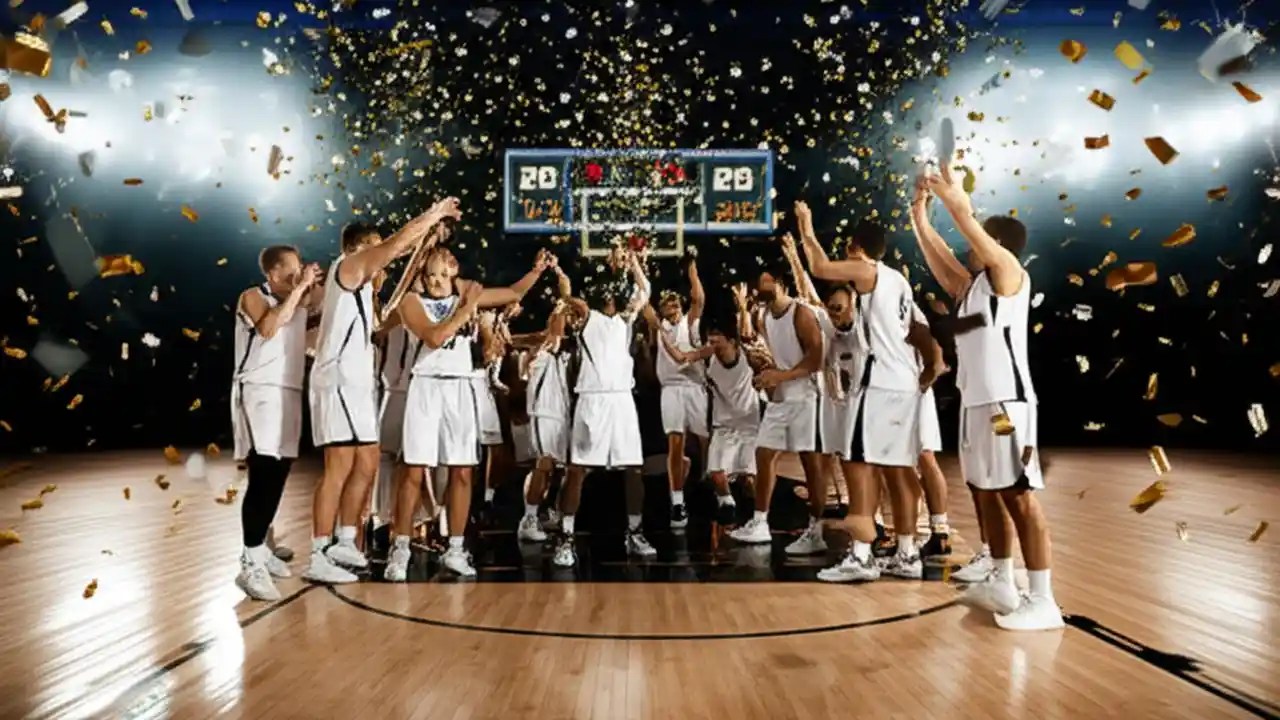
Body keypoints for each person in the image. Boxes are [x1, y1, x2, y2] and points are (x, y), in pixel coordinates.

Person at [917, 167, 1061, 630]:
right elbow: (939, 259)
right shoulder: (971, 287)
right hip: (976, 402)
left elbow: (965, 224)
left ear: (993, 242)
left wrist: (951, 195)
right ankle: (1001, 576)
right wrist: (919, 212)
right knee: (984, 489)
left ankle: (1043, 600)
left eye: (979, 239)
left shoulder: (1008, 273)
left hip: (1006, 405)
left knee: (1017, 494)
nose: (967, 246)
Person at [304, 197, 461, 584]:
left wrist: (425, 246)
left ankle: (344, 541)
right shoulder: (349, 268)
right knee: (338, 468)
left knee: (369, 464)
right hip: (337, 381)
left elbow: (399, 287)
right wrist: (433, 215)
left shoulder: (365, 293)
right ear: (356, 249)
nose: (381, 254)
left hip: (358, 388)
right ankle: (318, 552)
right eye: (373, 245)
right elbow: (393, 247)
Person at [384, 247, 553, 580]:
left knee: (462, 473)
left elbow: (515, 292)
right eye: (429, 274)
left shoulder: (468, 292)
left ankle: (456, 548)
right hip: (426, 386)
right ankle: (400, 548)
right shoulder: (410, 302)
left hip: (461, 387)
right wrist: (468, 307)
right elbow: (434, 337)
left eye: (441, 273)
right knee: (413, 472)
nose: (435, 280)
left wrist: (537, 270)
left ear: (453, 270)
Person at [797, 201, 944, 582]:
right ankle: (907, 554)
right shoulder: (900, 282)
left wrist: (806, 226)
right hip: (903, 384)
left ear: (855, 247)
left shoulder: (869, 270)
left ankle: (861, 557)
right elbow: (922, 335)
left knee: (859, 466)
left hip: (878, 385)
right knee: (900, 471)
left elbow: (819, 267)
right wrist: (927, 373)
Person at [232, 245, 320, 600]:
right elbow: (268, 328)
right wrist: (301, 289)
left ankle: (261, 549)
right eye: (291, 271)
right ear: (272, 273)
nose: (297, 277)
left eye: (300, 271)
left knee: (280, 472)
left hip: (288, 390)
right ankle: (250, 560)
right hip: (258, 391)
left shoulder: (297, 306)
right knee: (264, 472)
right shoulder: (253, 296)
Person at [553, 248, 650, 568]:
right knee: (577, 470)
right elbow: (568, 298)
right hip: (592, 400)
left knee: (634, 470)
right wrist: (559, 274)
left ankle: (634, 533)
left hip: (622, 400)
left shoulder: (625, 319)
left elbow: (644, 291)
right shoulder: (586, 317)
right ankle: (565, 538)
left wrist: (634, 262)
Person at [727, 263, 828, 556]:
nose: (759, 286)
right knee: (764, 452)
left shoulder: (801, 313)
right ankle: (759, 522)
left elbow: (817, 358)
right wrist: (765, 374)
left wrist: (780, 376)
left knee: (812, 464)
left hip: (807, 396)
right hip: (780, 397)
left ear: (781, 282)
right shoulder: (763, 316)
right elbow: (770, 355)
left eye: (765, 280)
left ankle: (816, 529)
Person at [661, 305, 763, 526]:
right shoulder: (709, 356)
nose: (714, 346)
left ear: (732, 342)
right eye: (711, 340)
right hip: (723, 424)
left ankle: (759, 518)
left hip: (748, 423)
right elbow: (681, 357)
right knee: (716, 473)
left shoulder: (750, 357)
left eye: (718, 341)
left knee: (749, 480)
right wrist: (660, 332)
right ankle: (727, 505)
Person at [654, 256, 708, 528]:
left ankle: (715, 487)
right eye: (667, 303)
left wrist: (693, 271)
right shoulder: (658, 327)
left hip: (696, 387)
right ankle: (677, 501)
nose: (672, 306)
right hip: (672, 389)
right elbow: (643, 305)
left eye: (676, 302)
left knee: (704, 439)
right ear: (662, 308)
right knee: (675, 442)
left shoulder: (690, 322)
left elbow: (698, 299)